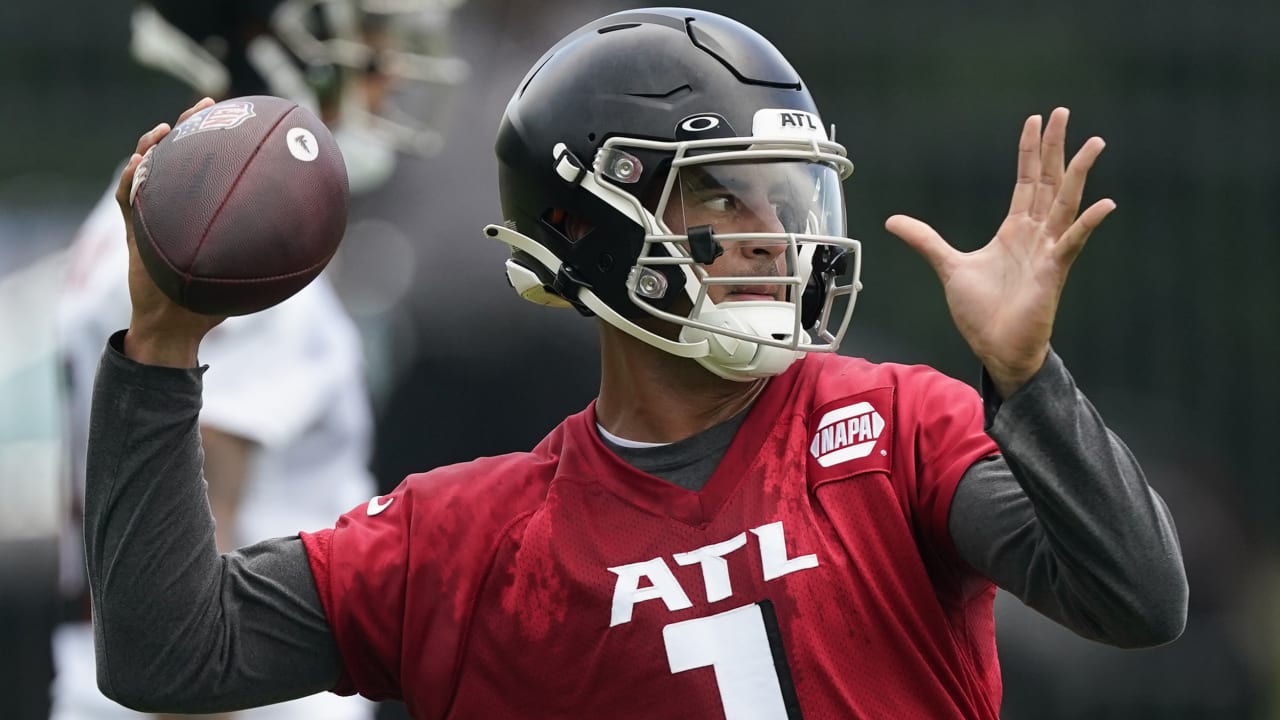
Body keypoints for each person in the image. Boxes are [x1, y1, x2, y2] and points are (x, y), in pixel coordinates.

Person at [81, 8, 1188, 719]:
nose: (770, 232)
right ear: (587, 229)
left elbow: (1134, 598)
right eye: (718, 193)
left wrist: (1028, 379)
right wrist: (161, 349)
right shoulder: (466, 545)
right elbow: (167, 655)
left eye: (784, 196)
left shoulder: (889, 428)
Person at [53, 1, 467, 718]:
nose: (392, 69)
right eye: (370, 36)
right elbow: (184, 577)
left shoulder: (156, 204)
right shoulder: (235, 244)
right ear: (276, 36)